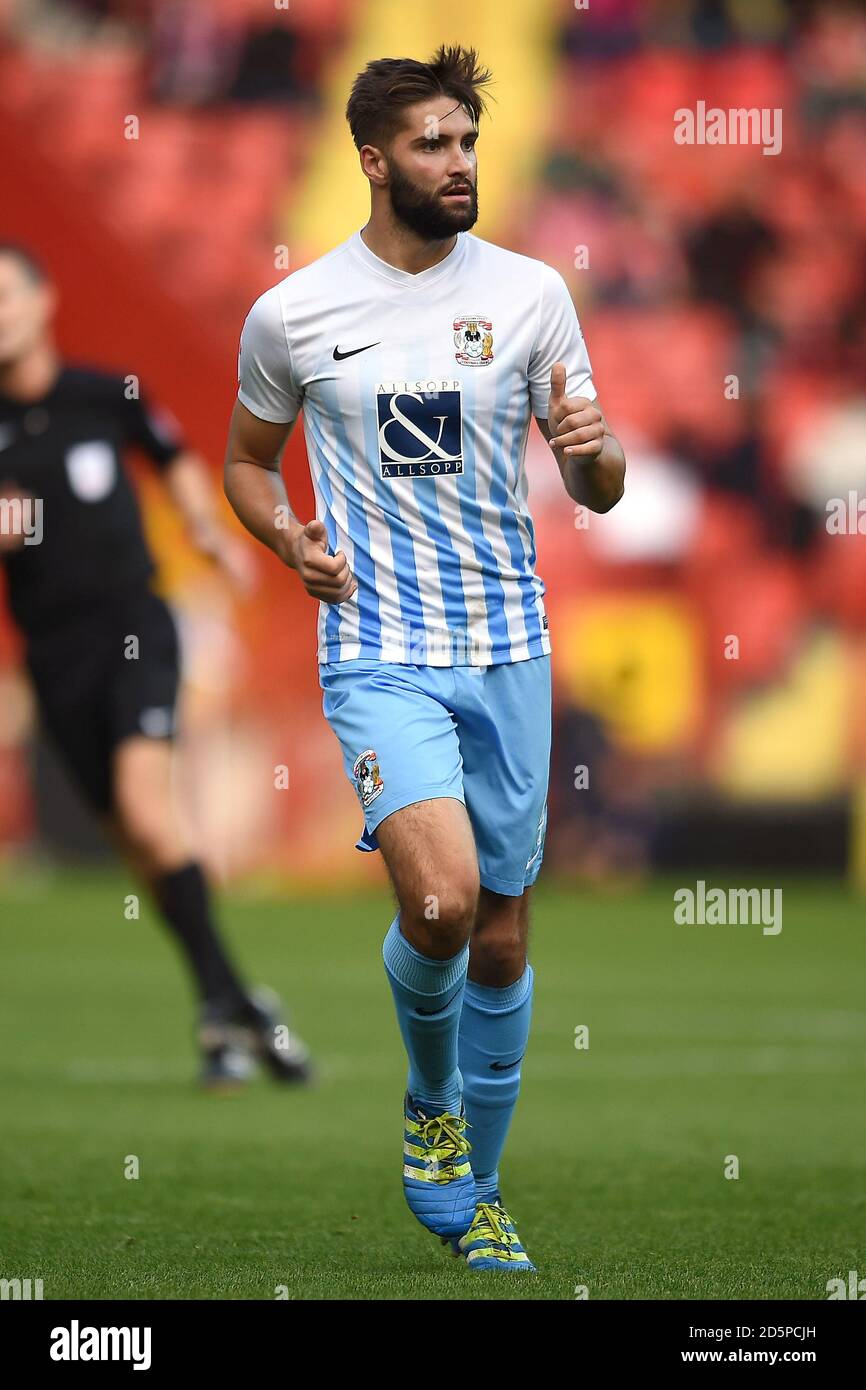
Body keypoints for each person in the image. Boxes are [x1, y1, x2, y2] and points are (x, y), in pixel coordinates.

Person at [224, 46, 625, 1270]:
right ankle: (431, 1104)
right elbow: (245, 460)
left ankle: (482, 1186)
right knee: (441, 901)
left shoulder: (529, 295)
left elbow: (599, 490)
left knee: (500, 934)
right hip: (378, 649)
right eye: (433, 145)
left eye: (467, 142)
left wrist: (590, 448)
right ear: (369, 159)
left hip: (508, 645)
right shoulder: (293, 313)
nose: (459, 166)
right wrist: (288, 536)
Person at [0, 243, 312, 1088]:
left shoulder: (105, 395)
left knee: (147, 806)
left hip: (135, 628)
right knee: (141, 846)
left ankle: (225, 1006)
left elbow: (171, 460)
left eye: (7, 296)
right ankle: (238, 1004)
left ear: (43, 300)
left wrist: (210, 537)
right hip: (52, 654)